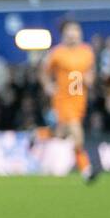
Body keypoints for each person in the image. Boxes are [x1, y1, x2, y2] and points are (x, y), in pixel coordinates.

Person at [37, 20, 98, 182]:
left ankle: (39, 134)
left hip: (80, 101)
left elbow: (91, 73)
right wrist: (48, 85)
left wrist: (89, 80)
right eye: (70, 31)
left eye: (75, 30)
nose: (73, 34)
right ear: (64, 34)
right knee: (77, 134)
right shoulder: (57, 53)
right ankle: (86, 170)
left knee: (62, 134)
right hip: (63, 100)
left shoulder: (87, 52)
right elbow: (43, 72)